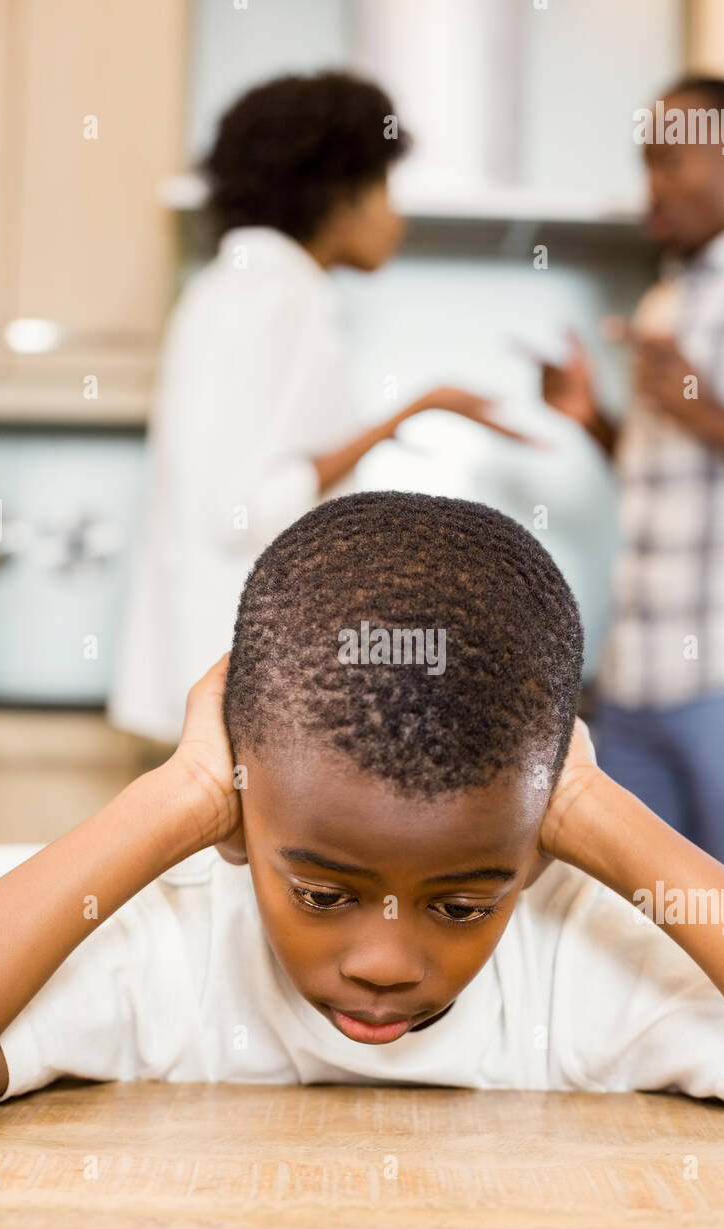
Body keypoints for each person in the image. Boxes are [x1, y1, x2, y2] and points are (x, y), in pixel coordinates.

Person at [0, 492, 724, 1137]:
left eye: (460, 905)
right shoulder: (161, 946)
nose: (384, 963)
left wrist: (592, 808)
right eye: (324, 895)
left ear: (539, 853)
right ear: (234, 818)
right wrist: (176, 796)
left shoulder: (579, 963)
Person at [109, 71, 522, 744]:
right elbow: (251, 506)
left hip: (207, 669)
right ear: (337, 192)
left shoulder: (226, 288)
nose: (399, 217)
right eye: (385, 189)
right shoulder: (284, 301)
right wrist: (407, 415)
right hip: (247, 686)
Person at [540, 75, 724, 931]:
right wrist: (595, 421)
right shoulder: (669, 297)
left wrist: (703, 409)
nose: (652, 184)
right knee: (639, 944)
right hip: (637, 685)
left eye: (669, 160)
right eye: (645, 163)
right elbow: (674, 480)